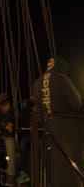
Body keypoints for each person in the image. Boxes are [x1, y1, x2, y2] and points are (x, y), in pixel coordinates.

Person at [32, 55, 83, 187]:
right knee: (71, 165)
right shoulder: (62, 79)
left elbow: (39, 111)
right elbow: (77, 104)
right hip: (69, 129)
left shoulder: (37, 83)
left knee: (54, 165)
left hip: (50, 129)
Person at [15, 96, 34, 184]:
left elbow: (19, 124)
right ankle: (25, 173)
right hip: (30, 137)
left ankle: (24, 173)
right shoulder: (31, 112)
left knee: (23, 151)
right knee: (24, 151)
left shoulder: (24, 113)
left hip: (29, 137)